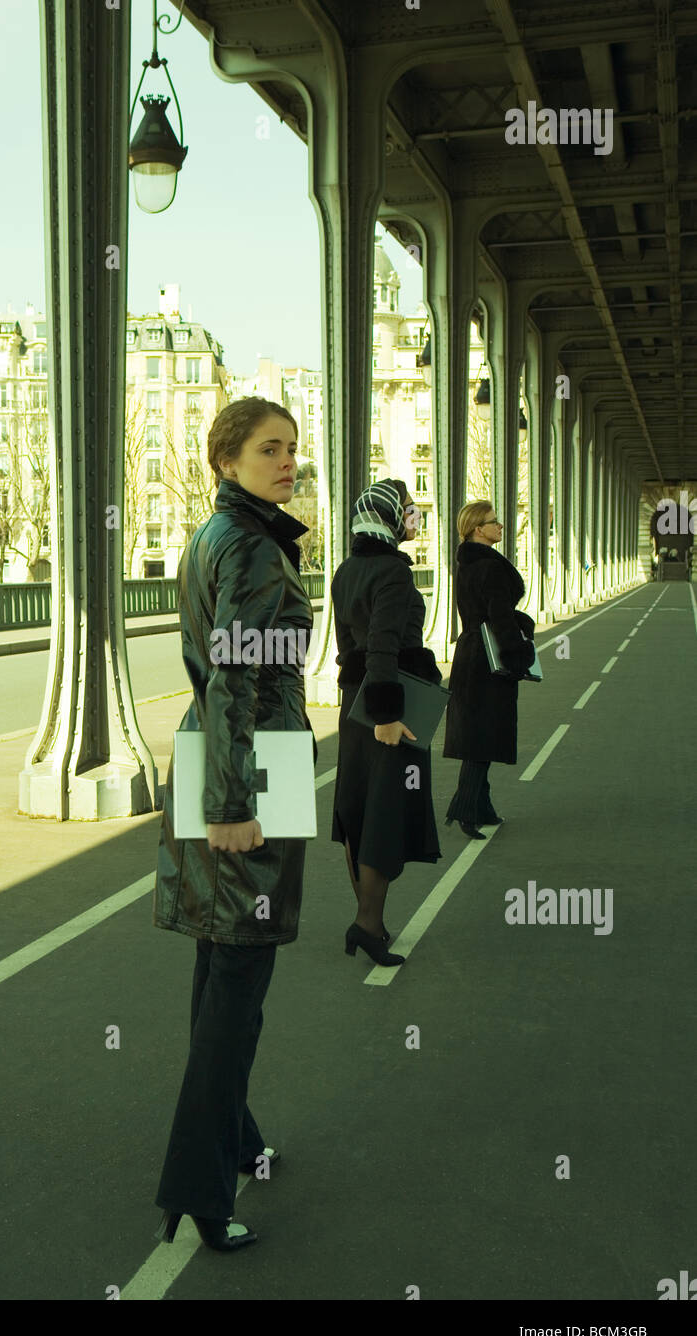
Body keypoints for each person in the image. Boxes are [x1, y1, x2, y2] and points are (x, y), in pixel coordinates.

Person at [152, 397, 314, 1255]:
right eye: (268, 450)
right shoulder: (252, 548)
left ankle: (239, 1139)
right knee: (237, 993)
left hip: (219, 760)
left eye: (291, 449)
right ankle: (199, 1191)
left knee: (220, 965)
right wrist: (232, 808)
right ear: (226, 460)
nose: (287, 463)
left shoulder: (214, 535)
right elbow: (235, 684)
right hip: (251, 771)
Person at [330, 479, 443, 967]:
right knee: (383, 815)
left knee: (359, 812)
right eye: (409, 511)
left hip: (354, 705)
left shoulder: (346, 569)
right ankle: (368, 925)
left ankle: (366, 920)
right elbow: (381, 645)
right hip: (383, 709)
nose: (415, 519)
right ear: (389, 517)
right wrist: (389, 716)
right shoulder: (394, 574)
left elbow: (349, 644)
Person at [442, 501, 536, 838]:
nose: (501, 527)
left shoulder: (465, 566)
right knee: (483, 739)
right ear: (478, 529)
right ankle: (465, 809)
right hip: (490, 659)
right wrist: (519, 654)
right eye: (495, 522)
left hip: (469, 653)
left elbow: (477, 614)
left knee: (478, 735)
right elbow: (500, 619)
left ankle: (482, 806)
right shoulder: (492, 568)